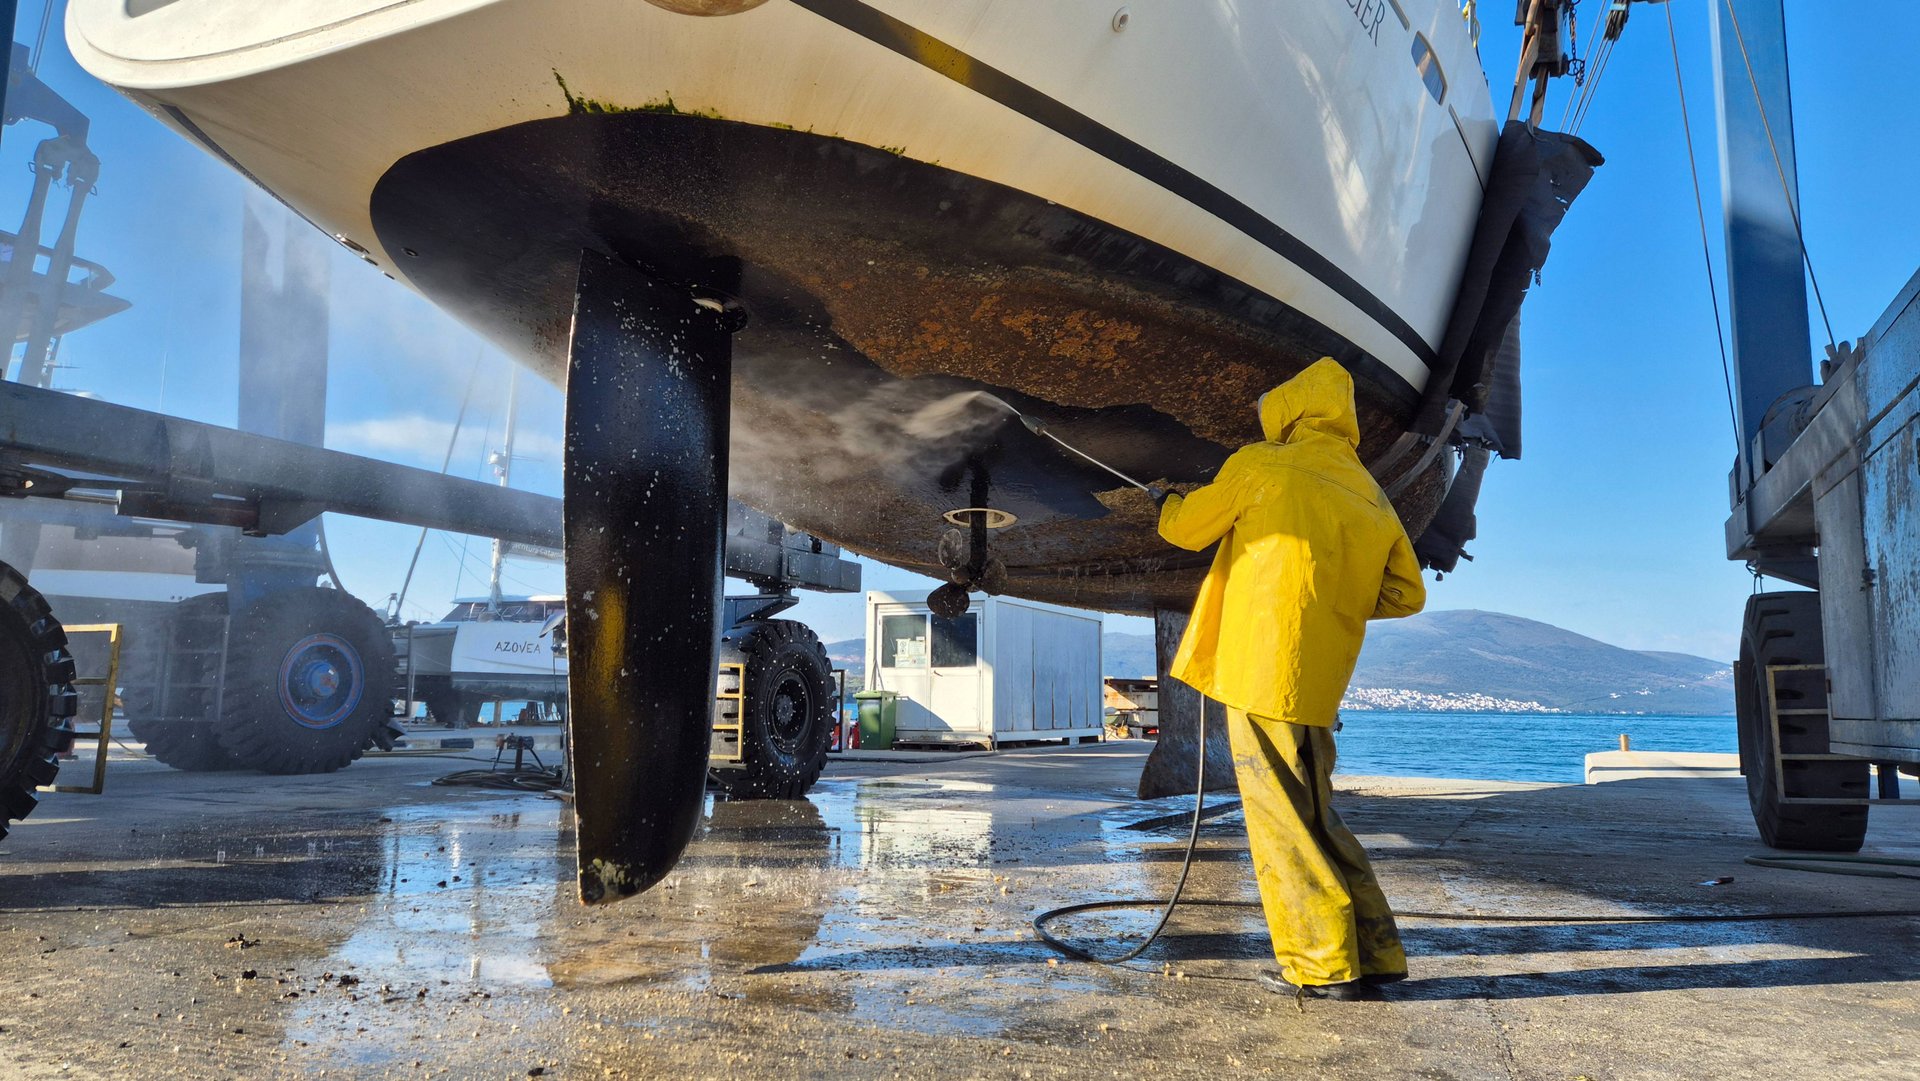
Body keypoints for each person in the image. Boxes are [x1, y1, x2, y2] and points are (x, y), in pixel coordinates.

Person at [1154, 357, 1426, 1001]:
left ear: (1288, 411)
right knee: (1319, 815)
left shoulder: (1260, 465)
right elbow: (1406, 594)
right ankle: (1377, 955)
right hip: (1318, 682)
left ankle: (1322, 966)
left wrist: (1164, 502)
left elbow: (1187, 529)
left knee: (1281, 822)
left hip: (1259, 671)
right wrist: (1333, 596)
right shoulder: (1369, 492)